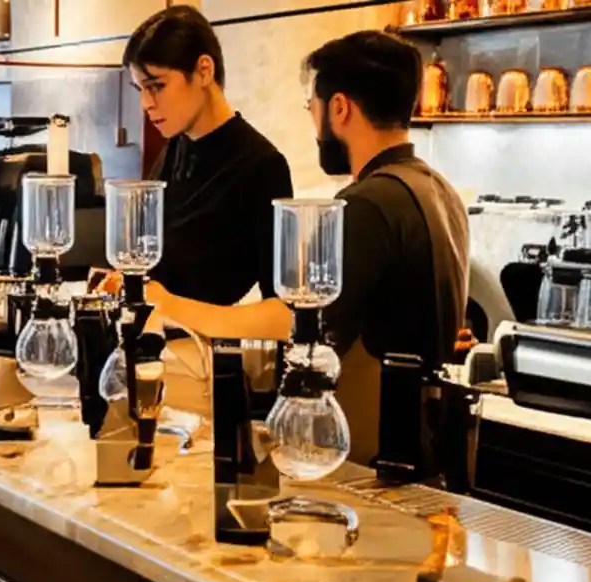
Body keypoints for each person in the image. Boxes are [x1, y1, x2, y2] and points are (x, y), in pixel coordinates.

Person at [150, 30, 469, 462]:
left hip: (369, 454)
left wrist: (170, 306)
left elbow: (293, 317)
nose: (313, 122)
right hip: (425, 440)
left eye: (311, 107)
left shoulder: (366, 205)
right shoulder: (440, 190)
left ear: (339, 108)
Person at [122, 6, 294, 309]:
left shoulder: (263, 166)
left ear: (204, 71)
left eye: (156, 86)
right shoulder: (176, 145)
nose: (146, 104)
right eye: (140, 89)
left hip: (202, 350)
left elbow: (281, 313)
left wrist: (170, 305)